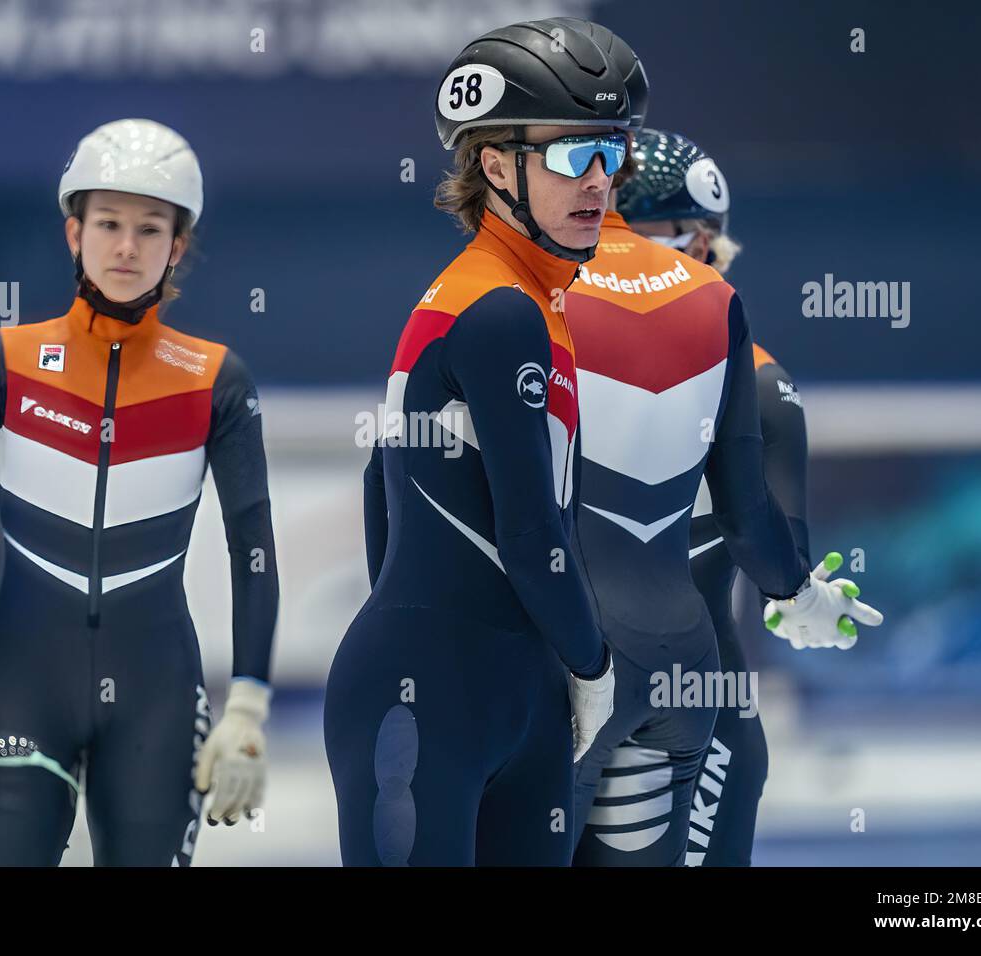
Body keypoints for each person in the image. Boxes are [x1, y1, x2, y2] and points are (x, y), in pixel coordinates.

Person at [0, 118, 280, 866]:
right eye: (108, 224)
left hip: (158, 699)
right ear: (75, 235)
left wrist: (250, 707)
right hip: (20, 688)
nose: (127, 247)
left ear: (177, 247)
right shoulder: (2, 360)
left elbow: (253, 552)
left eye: (149, 228)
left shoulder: (216, 381)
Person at [325, 18, 645, 866]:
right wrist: (592, 664)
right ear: (496, 165)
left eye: (611, 154)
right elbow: (534, 533)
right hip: (460, 693)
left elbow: (376, 488)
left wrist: (421, 618)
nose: (599, 184)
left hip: (477, 683)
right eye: (572, 157)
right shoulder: (500, 309)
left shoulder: (525, 302)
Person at [561, 100, 883, 863]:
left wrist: (799, 598)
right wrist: (805, 601)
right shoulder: (526, 340)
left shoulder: (760, 384)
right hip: (661, 683)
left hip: (648, 702)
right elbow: (779, 558)